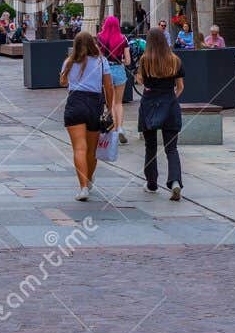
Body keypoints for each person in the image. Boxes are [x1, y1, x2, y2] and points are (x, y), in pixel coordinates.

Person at [60, 31, 113, 201]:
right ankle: (88, 180)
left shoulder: (69, 61)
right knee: (92, 150)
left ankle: (83, 187)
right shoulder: (101, 61)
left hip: (75, 102)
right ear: (93, 43)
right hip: (94, 103)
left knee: (79, 148)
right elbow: (108, 86)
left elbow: (63, 82)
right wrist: (110, 108)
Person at [136, 28, 185, 199]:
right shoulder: (175, 60)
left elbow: (140, 80)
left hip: (149, 104)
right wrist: (170, 98)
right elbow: (180, 88)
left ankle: (151, 183)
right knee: (171, 148)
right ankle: (175, 181)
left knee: (150, 147)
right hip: (170, 105)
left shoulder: (145, 60)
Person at [96, 15, 131, 143]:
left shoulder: (99, 38)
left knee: (109, 101)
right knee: (118, 102)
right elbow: (128, 61)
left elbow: (98, 57)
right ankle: (120, 128)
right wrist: (120, 60)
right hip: (119, 70)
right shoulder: (123, 39)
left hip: (106, 71)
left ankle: (110, 128)